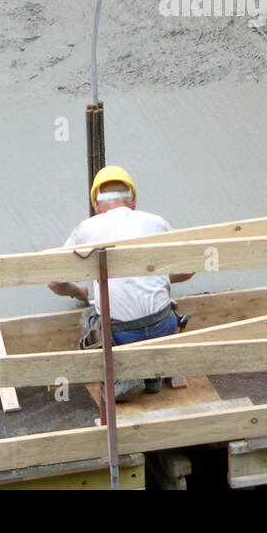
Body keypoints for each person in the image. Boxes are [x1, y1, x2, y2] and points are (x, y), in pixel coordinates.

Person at [48, 165, 194, 402]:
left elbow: (54, 282)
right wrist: (155, 277)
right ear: (133, 201)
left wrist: (78, 292)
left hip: (122, 336)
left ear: (96, 206)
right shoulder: (155, 222)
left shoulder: (86, 228)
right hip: (163, 328)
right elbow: (189, 268)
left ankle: (120, 379)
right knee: (165, 309)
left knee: (89, 319)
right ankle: (152, 375)